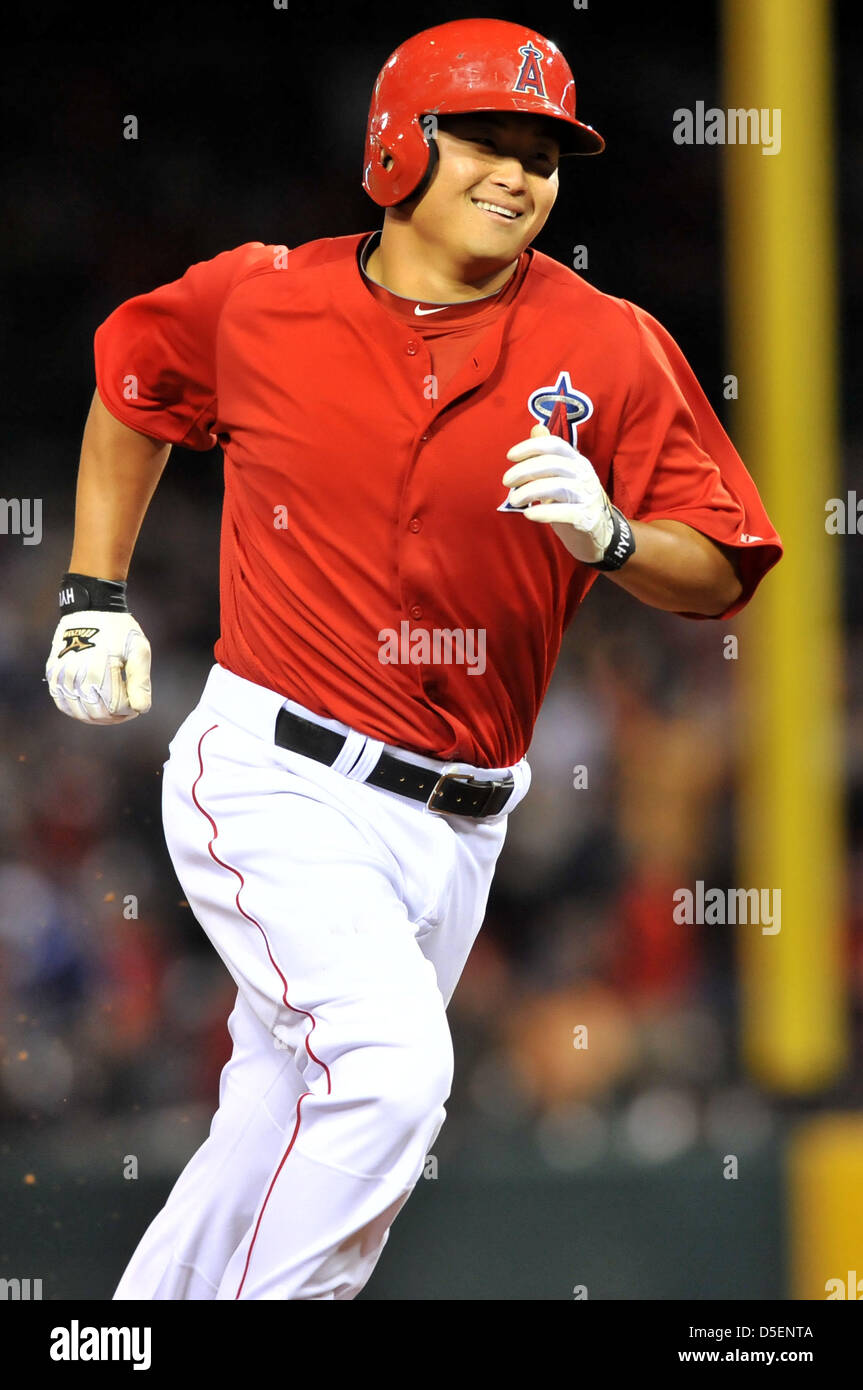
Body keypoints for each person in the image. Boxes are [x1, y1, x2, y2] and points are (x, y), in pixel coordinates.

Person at [45, 18, 782, 1300]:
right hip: (276, 767)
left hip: (459, 828)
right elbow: (132, 385)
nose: (518, 173)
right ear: (400, 144)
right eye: (487, 139)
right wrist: (94, 588)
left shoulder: (607, 343)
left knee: (275, 1125)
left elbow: (721, 566)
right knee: (389, 1076)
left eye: (543, 153)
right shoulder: (263, 297)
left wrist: (611, 537)